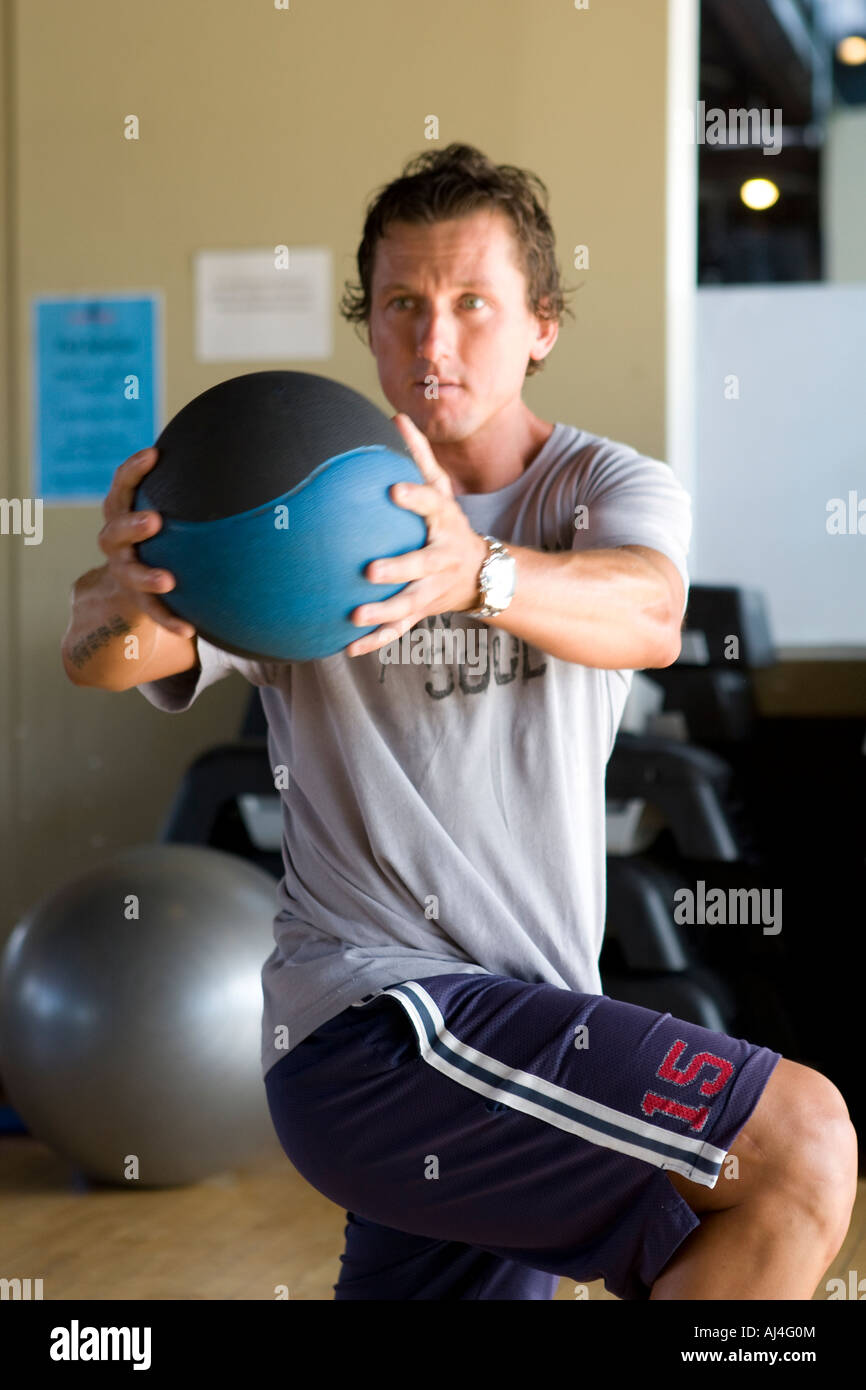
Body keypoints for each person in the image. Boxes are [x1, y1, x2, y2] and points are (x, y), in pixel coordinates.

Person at [62, 144, 857, 1301]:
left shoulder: (598, 489)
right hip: (377, 1026)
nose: (433, 340)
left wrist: (475, 572)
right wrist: (118, 598)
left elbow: (646, 614)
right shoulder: (307, 518)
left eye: (471, 303)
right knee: (801, 1142)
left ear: (540, 325)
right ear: (369, 325)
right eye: (402, 304)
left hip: (522, 1028)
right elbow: (115, 655)